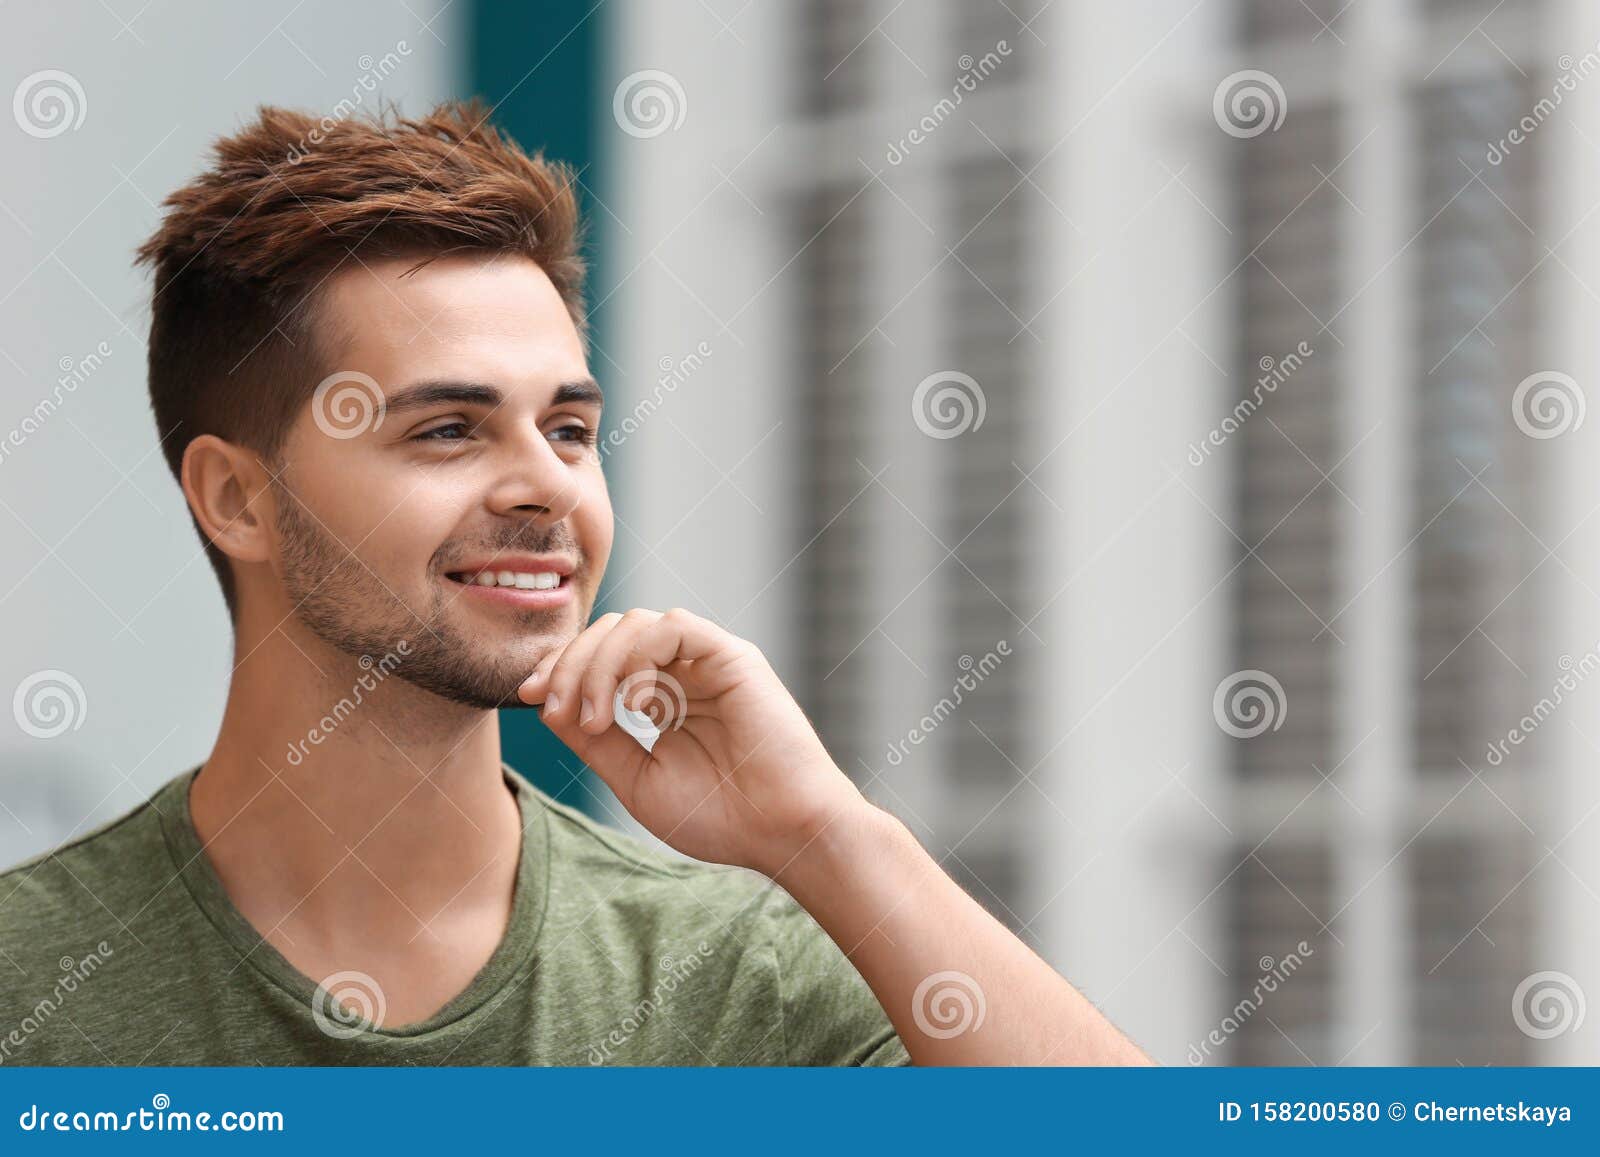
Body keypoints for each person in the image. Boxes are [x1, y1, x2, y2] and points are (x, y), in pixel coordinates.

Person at [0, 100, 1147, 1066]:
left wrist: (829, 835)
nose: (546, 487)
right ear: (236, 499)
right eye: (448, 429)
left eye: (569, 427)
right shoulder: (30, 988)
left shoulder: (738, 978)